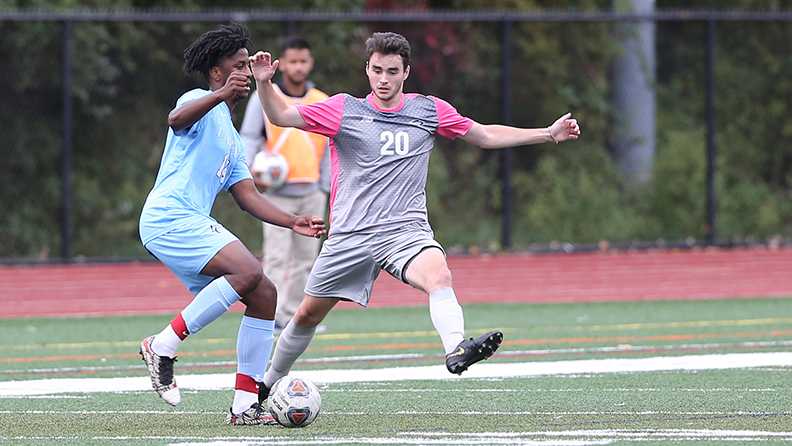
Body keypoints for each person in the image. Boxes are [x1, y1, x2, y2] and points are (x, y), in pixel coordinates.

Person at [248, 31, 580, 402]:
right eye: (377, 70)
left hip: (406, 232)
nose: (384, 79)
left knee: (439, 275)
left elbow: (484, 135)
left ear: (406, 72)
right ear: (367, 70)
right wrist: (264, 83)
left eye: (393, 71)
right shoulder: (343, 109)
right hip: (351, 235)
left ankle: (457, 348)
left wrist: (547, 134)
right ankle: (267, 382)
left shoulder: (428, 110)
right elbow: (280, 114)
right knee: (307, 315)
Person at [137, 23, 325, 426]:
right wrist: (220, 95)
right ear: (218, 73)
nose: (245, 71)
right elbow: (175, 118)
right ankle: (162, 345)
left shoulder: (235, 140)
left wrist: (294, 221)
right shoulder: (201, 99)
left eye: (248, 65)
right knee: (248, 270)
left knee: (264, 293)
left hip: (187, 222)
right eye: (238, 65)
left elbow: (249, 197)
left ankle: (244, 407)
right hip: (168, 216)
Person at [240, 36, 331, 333]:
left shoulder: (321, 99)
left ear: (311, 63)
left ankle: (295, 317)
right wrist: (249, 170)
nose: (298, 67)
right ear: (282, 63)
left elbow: (330, 146)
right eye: (292, 61)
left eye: (303, 61)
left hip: (312, 191)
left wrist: (326, 187)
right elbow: (250, 136)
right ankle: (272, 315)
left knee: (307, 259)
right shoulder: (264, 96)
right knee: (277, 257)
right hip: (275, 194)